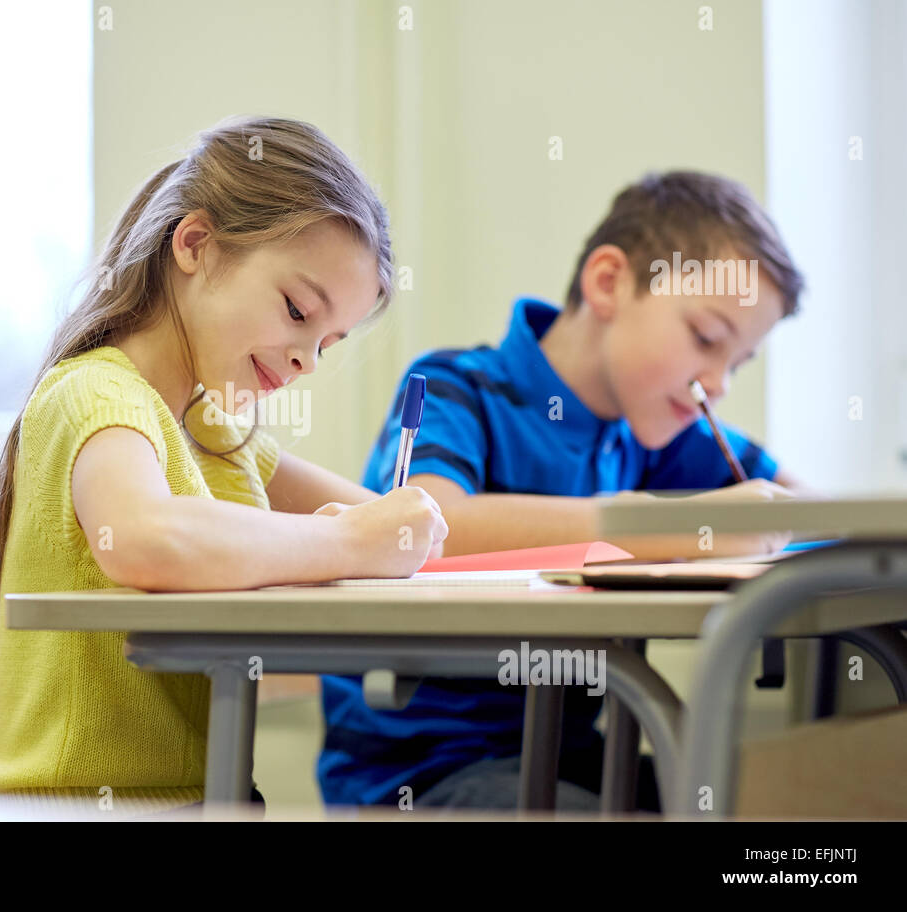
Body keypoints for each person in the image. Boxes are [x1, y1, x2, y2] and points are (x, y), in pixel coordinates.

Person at [0, 116, 447, 816]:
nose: (305, 361)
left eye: (329, 342)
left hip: (209, 801)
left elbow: (388, 521)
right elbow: (145, 539)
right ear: (196, 245)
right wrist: (348, 542)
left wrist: (401, 527)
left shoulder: (213, 428)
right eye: (296, 311)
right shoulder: (96, 393)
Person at [320, 171, 806, 812]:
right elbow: (428, 529)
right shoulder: (456, 387)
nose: (717, 383)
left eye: (738, 364)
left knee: (775, 810)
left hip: (566, 754)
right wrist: (659, 527)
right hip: (425, 773)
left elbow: (807, 506)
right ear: (608, 282)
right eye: (707, 339)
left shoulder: (648, 432)